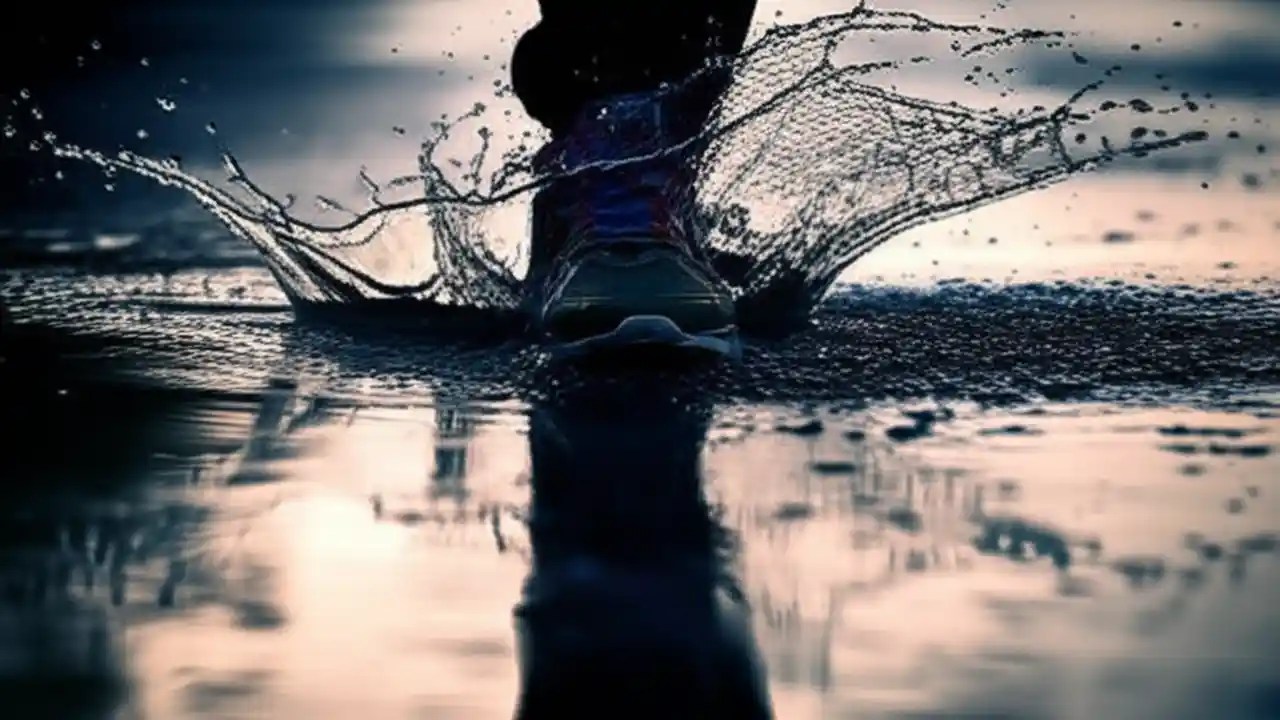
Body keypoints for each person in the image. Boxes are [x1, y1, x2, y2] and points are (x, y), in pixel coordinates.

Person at [511, 0, 759, 359]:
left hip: (590, 278)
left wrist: (533, 304)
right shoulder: (675, 119)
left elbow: (536, 278)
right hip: (670, 278)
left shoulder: (561, 161)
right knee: (708, 59)